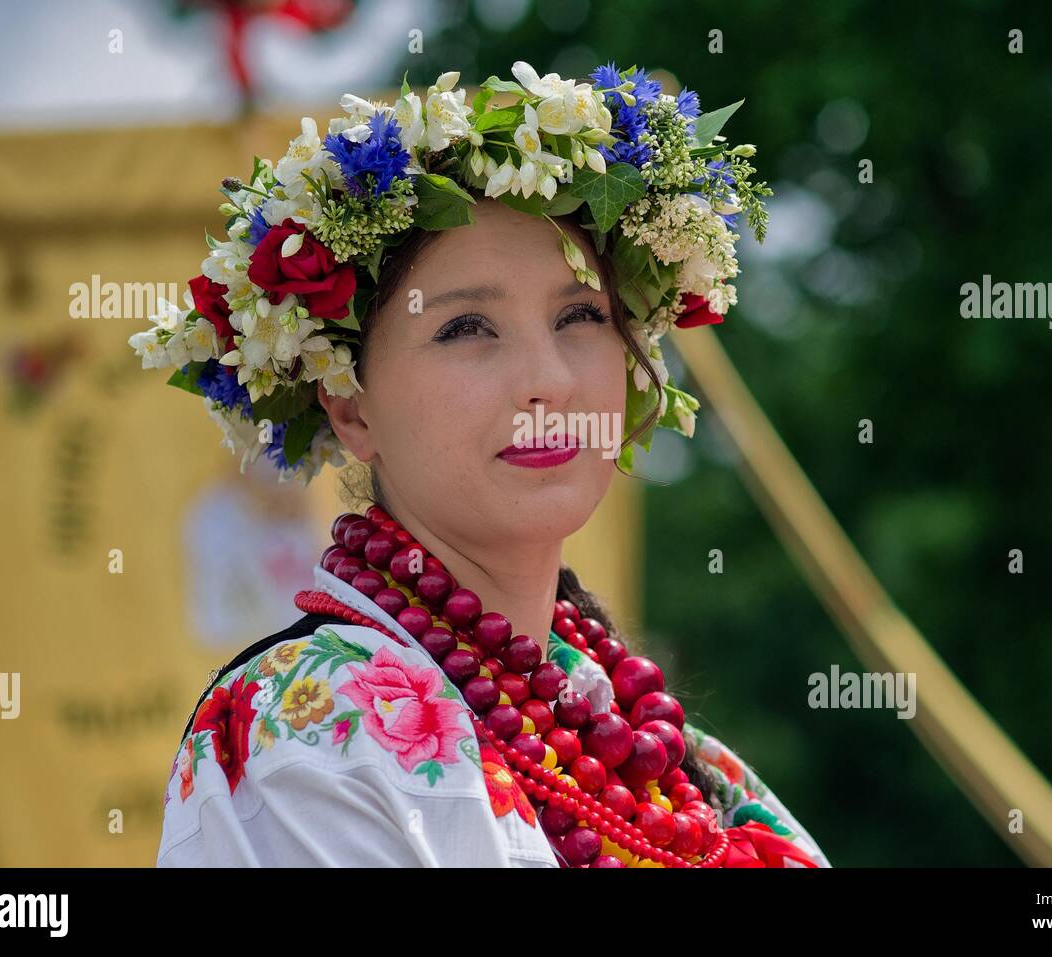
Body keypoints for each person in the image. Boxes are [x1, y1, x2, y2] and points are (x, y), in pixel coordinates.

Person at [139, 61, 829, 867]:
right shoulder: (303, 727)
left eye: (580, 315)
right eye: (468, 328)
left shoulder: (685, 764)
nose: (548, 379)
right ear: (352, 405)